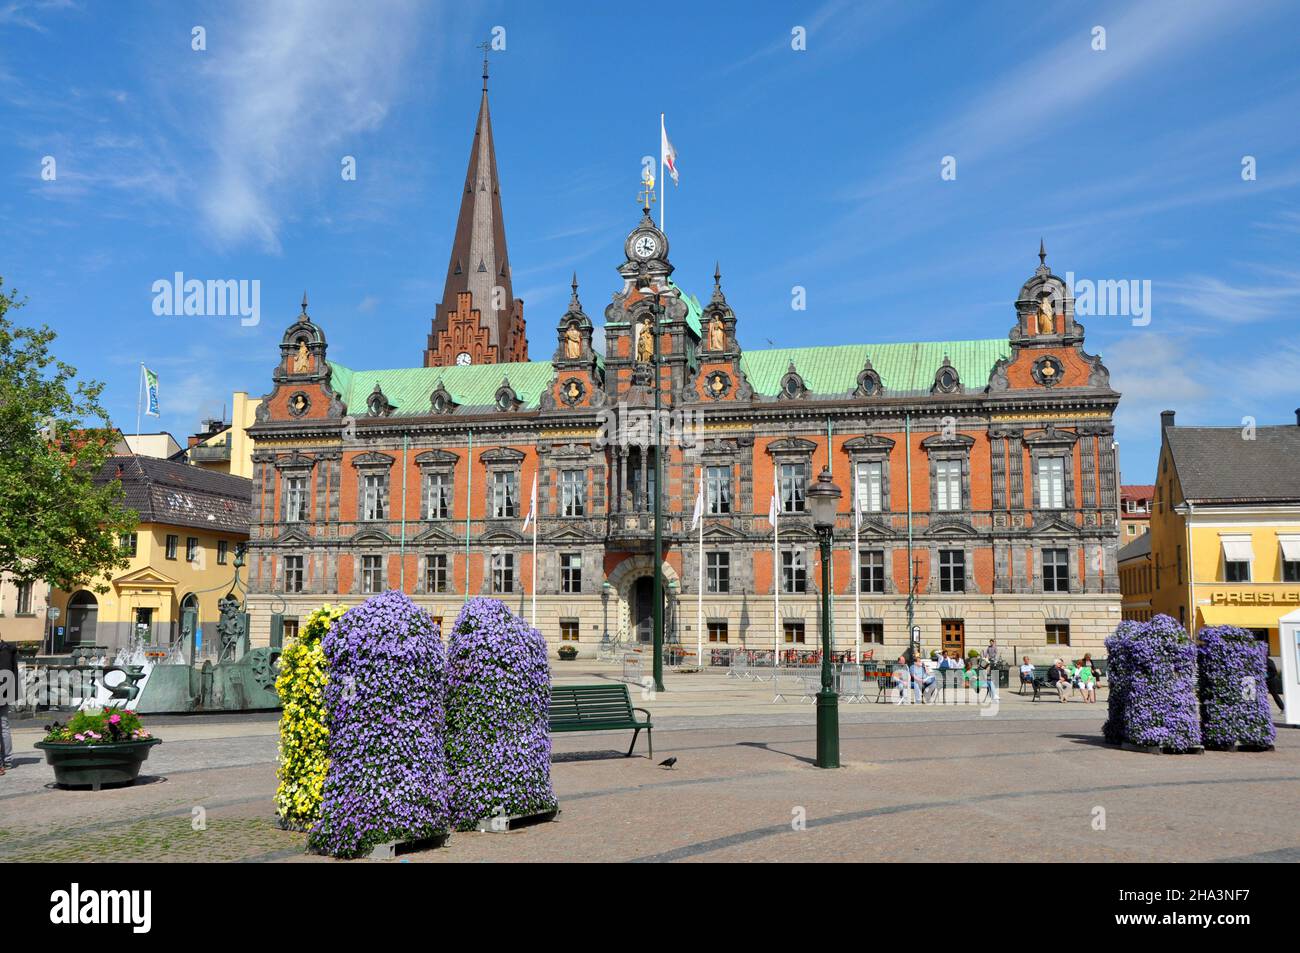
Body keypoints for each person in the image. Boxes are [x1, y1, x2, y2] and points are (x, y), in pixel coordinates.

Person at [0, 637, 18, 774]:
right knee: (4, 725)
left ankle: (4, 761)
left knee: (4, 726)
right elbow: (14, 672)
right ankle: (7, 760)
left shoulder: (6, 652)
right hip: (5, 692)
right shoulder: (9, 650)